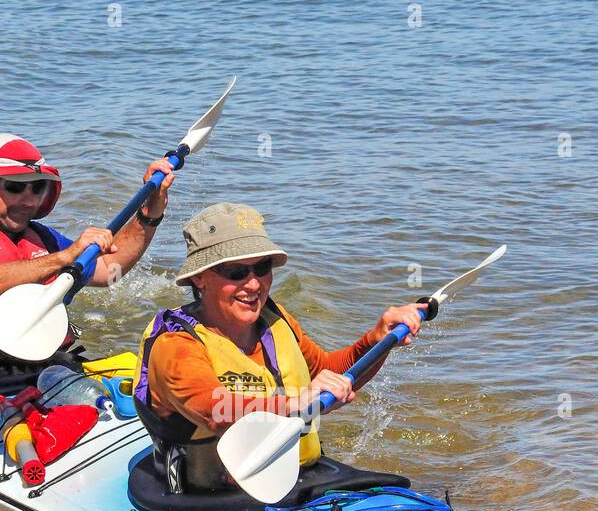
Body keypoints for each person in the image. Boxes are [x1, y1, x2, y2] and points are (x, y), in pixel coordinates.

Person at [133, 203, 425, 493]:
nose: (254, 285)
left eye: (262, 268)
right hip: (211, 498)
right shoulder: (175, 343)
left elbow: (329, 373)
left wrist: (376, 342)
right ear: (199, 278)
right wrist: (294, 404)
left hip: (297, 480)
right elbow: (213, 410)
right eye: (236, 272)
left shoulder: (275, 320)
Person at [0, 133, 175, 367]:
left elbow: (108, 270)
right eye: (15, 188)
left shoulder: (41, 237)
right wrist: (65, 256)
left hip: (46, 366)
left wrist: (150, 212)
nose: (29, 200)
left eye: (38, 188)